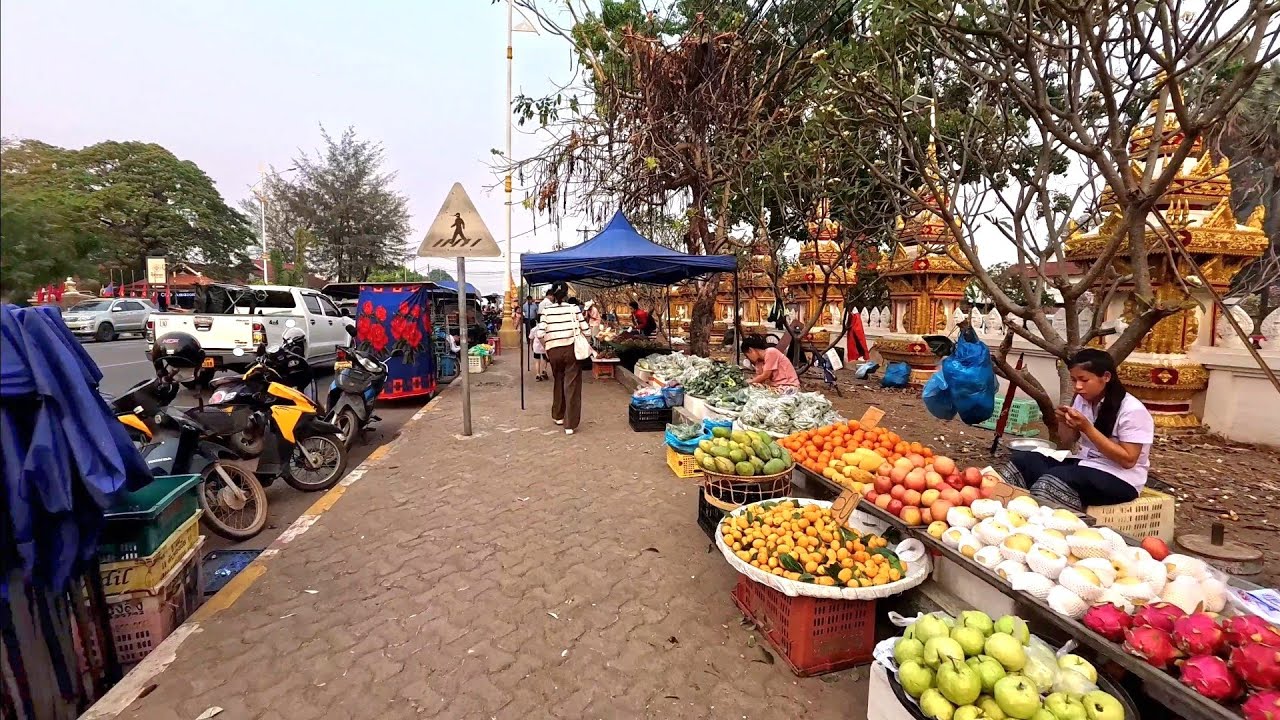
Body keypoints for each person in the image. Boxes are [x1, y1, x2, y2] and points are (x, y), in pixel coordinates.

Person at [1003, 348, 1153, 510]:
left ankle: (1042, 523)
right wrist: (1062, 422)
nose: (1078, 387)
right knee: (1024, 461)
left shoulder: (1132, 410)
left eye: (1084, 380)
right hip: (1085, 464)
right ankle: (1005, 510)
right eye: (1074, 380)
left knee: (1053, 481)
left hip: (1121, 478)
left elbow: (1128, 460)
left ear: (1106, 377)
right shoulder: (1082, 400)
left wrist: (1087, 428)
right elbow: (1067, 441)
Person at [536, 283, 590, 435]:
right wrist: (586, 341)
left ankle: (558, 415)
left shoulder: (546, 310)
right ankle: (569, 424)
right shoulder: (573, 309)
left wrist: (547, 348)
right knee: (571, 384)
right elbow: (586, 330)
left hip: (553, 351)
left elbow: (540, 334)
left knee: (558, 380)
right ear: (566, 294)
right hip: (571, 350)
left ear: (552, 293)